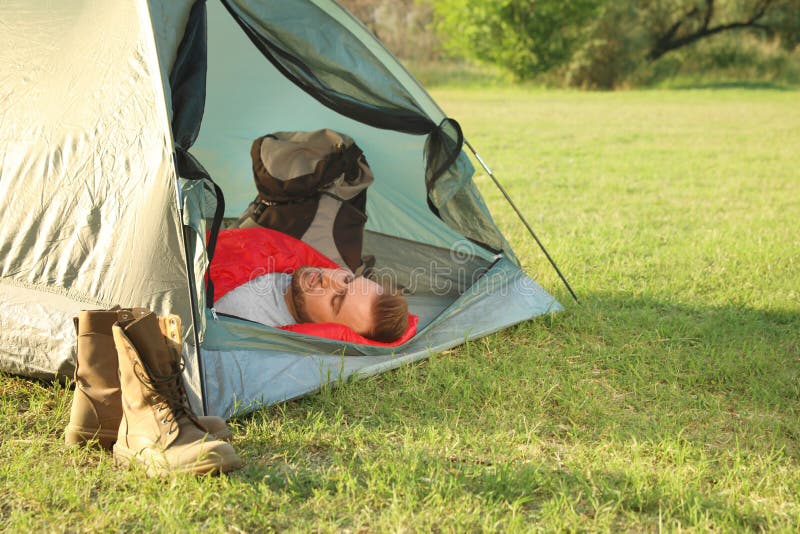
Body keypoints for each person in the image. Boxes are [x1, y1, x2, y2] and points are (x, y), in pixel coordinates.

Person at [214, 266, 408, 342]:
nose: (329, 279)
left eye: (336, 299)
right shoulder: (291, 263)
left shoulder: (240, 318)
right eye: (347, 279)